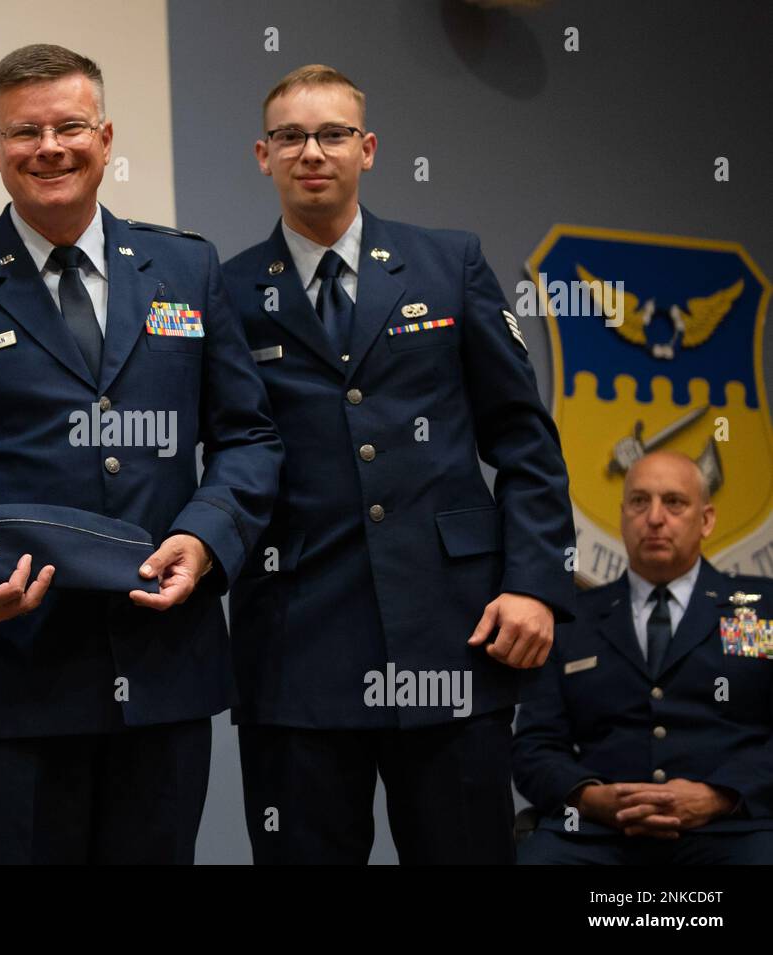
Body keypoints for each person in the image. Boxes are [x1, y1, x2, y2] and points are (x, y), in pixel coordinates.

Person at [0, 44, 282, 864]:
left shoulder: (185, 267)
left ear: (105, 137)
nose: (49, 148)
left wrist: (205, 537)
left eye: (69, 127)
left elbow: (249, 437)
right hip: (12, 672)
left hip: (162, 667)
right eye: (25, 132)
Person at [220, 65, 576, 864]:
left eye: (333, 133)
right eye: (290, 136)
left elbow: (524, 440)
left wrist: (534, 582)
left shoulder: (449, 263)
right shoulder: (227, 290)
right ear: (263, 155)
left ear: (369, 148)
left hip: (454, 632)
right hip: (297, 643)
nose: (313, 152)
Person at [514, 450, 773, 864]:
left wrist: (719, 797)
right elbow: (535, 747)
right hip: (597, 834)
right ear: (622, 516)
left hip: (730, 828)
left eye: (674, 502)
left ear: (706, 519)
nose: (654, 518)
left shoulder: (757, 610)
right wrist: (591, 798)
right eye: (639, 501)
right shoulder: (571, 620)